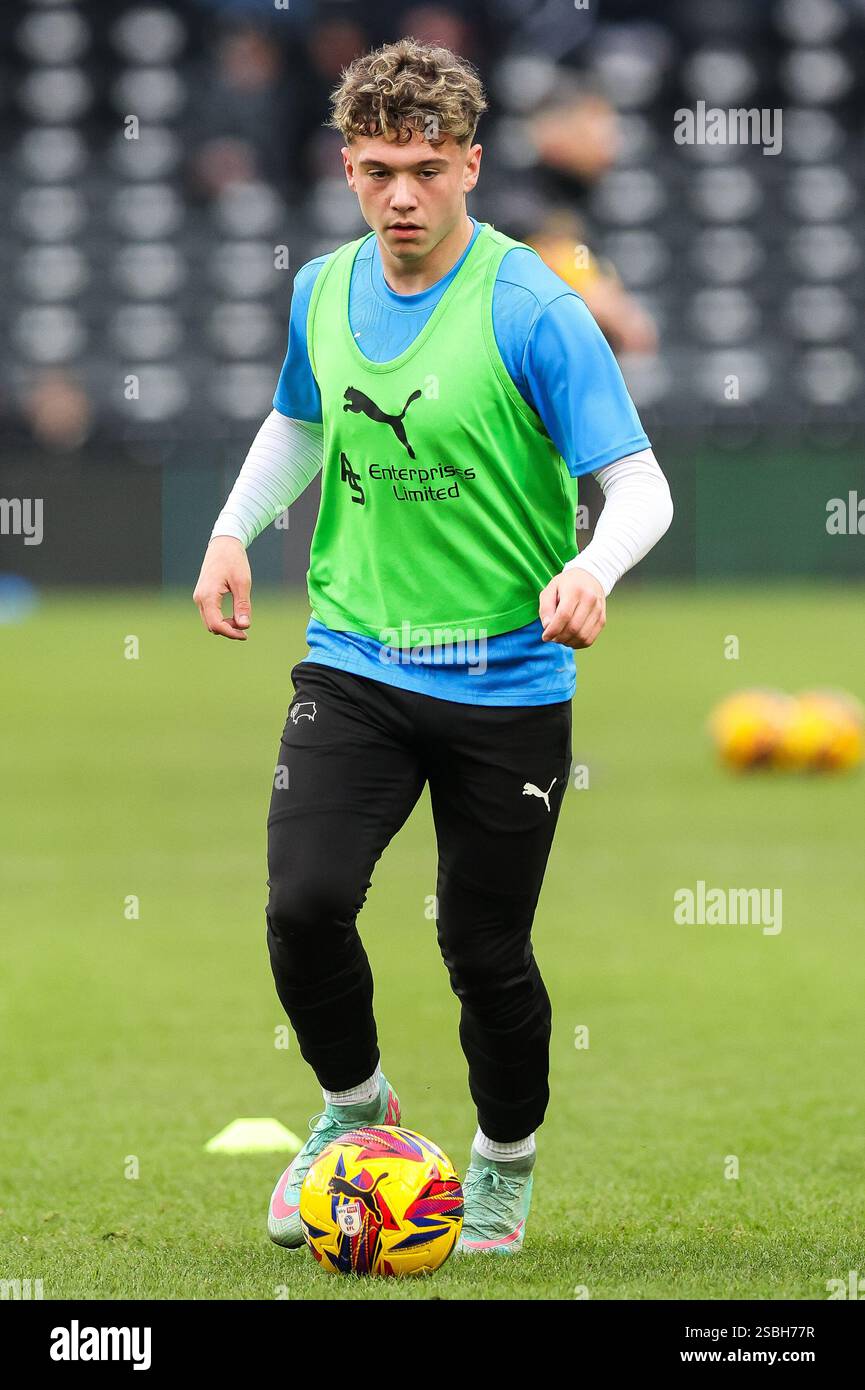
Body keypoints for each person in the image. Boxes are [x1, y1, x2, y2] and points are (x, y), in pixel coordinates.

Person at [193, 36, 673, 1256]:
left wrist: (591, 565)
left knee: (483, 949)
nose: (399, 195)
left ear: (467, 163)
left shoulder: (533, 306)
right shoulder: (321, 288)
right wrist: (233, 529)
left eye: (423, 167)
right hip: (356, 656)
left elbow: (641, 487)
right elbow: (300, 419)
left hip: (507, 678)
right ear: (346, 169)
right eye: (373, 171)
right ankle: (354, 1112)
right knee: (303, 905)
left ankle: (501, 1165)